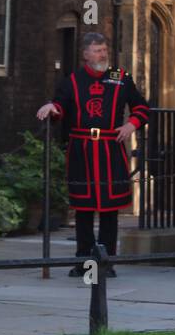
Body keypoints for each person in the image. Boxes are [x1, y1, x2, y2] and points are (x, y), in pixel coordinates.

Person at [37, 30, 150, 277]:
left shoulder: (121, 78)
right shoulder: (72, 80)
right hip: (82, 151)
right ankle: (84, 262)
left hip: (110, 149)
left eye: (105, 50)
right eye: (98, 50)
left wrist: (131, 124)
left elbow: (142, 107)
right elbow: (60, 105)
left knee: (109, 210)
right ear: (86, 54)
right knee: (84, 209)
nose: (103, 54)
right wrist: (51, 107)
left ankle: (106, 262)